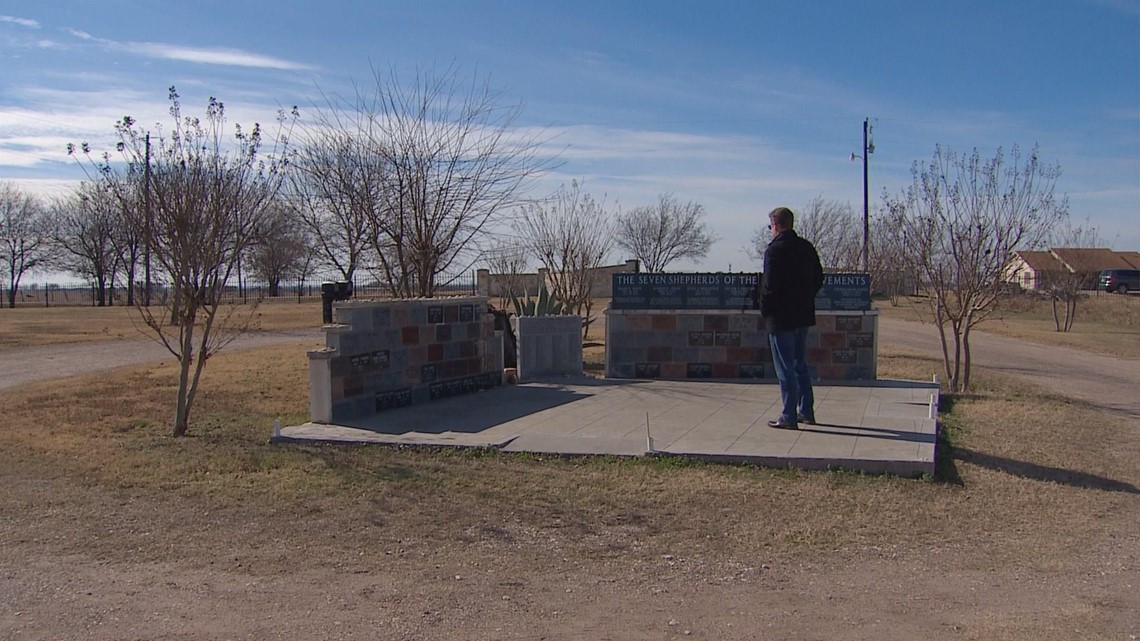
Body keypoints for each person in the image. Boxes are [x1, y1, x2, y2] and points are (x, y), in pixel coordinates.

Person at [759, 206, 824, 429]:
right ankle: (806, 410)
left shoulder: (775, 250)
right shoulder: (806, 247)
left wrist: (766, 311)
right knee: (800, 366)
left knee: (785, 369)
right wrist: (804, 299)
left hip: (781, 319)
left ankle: (789, 415)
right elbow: (818, 278)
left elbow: (768, 286)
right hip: (802, 316)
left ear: (776, 225)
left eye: (771, 226)